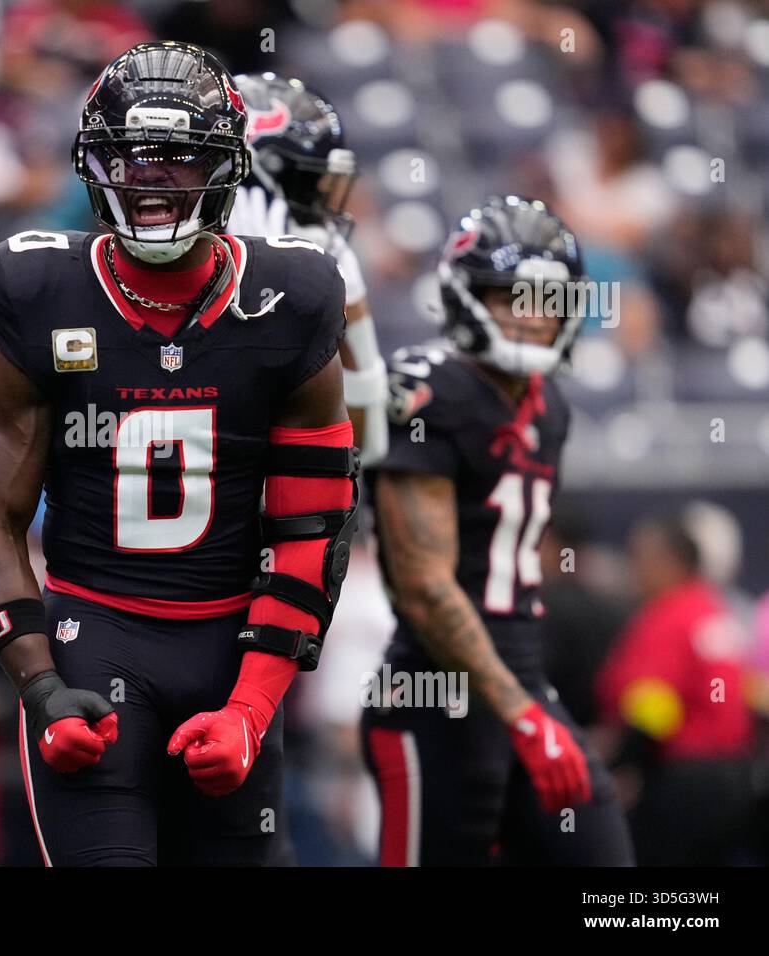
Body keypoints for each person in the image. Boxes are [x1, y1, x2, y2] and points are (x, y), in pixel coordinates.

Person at [0, 41, 360, 866]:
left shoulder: (291, 300)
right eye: (132, 157)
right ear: (95, 164)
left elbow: (313, 530)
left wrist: (251, 707)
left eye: (180, 158)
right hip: (91, 632)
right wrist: (39, 684)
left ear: (228, 167)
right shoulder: (41, 293)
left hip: (233, 645)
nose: (152, 180)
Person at [361, 196, 634, 865]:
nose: (533, 315)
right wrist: (522, 714)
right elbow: (426, 588)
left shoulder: (550, 406)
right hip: (435, 699)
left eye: (547, 299)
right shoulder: (430, 392)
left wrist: (527, 707)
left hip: (525, 685)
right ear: (467, 294)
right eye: (512, 295)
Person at [228, 71, 389, 466]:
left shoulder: (327, 259)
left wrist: (347, 308)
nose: (323, 203)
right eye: (310, 183)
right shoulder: (186, 261)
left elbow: (368, 445)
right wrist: (261, 279)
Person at [597, 517, 755, 865]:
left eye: (640, 559)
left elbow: (655, 708)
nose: (634, 570)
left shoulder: (669, 617)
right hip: (732, 775)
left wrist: (624, 766)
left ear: (671, 562)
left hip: (684, 781)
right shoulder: (711, 608)